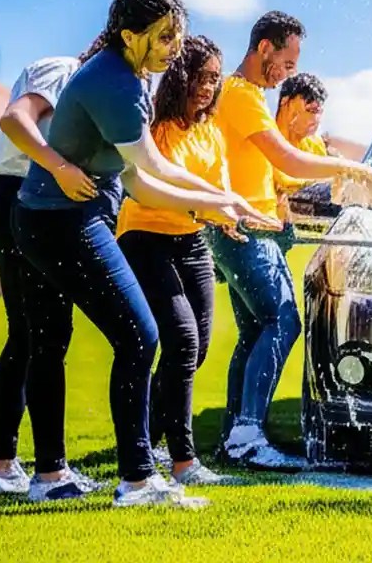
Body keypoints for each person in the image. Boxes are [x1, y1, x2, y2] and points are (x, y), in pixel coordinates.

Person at [13, 0, 278, 506]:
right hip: (61, 221)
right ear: (130, 35)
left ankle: (54, 478)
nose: (174, 48)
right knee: (140, 336)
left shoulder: (125, 76)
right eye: (164, 37)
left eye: (177, 35)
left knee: (77, 342)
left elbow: (138, 179)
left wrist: (223, 198)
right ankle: (137, 479)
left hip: (53, 218)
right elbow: (150, 174)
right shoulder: (115, 81)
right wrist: (215, 203)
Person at [208, 11, 372, 468]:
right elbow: (285, 158)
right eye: (286, 64)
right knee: (284, 321)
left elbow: (281, 169)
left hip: (245, 230)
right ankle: (247, 434)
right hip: (248, 231)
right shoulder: (242, 95)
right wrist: (351, 168)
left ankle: (235, 434)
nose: (288, 73)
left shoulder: (240, 96)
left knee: (253, 333)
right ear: (265, 48)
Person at [0, 39, 105, 498]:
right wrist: (60, 165)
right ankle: (48, 474)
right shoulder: (63, 69)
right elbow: (15, 118)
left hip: (32, 201)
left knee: (31, 335)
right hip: (15, 195)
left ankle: (3, 463)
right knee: (43, 334)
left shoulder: (89, 93)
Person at [115, 35, 241, 487]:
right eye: (200, 76)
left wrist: (231, 215)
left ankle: (144, 439)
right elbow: (167, 192)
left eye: (214, 78)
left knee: (195, 348)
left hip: (191, 242)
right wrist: (216, 207)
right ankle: (184, 461)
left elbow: (218, 187)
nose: (207, 87)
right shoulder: (158, 126)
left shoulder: (211, 130)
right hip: (146, 236)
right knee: (182, 340)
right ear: (180, 75)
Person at [272, 72, 337, 199]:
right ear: (286, 103)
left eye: (319, 112)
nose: (316, 119)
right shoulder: (265, 138)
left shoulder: (314, 144)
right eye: (310, 111)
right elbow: (285, 183)